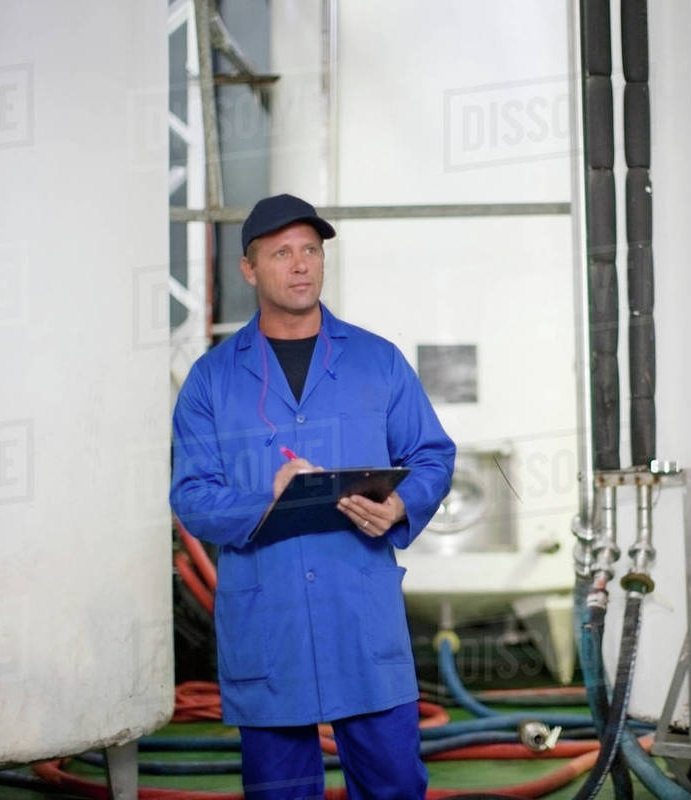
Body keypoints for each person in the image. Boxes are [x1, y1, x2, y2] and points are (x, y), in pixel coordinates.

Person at [169, 193, 455, 799]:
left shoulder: (377, 362)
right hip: (267, 622)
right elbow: (191, 497)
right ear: (249, 269)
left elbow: (432, 454)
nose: (300, 264)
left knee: (395, 786)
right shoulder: (212, 380)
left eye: (310, 250)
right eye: (281, 253)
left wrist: (399, 506)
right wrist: (264, 498)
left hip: (360, 615)